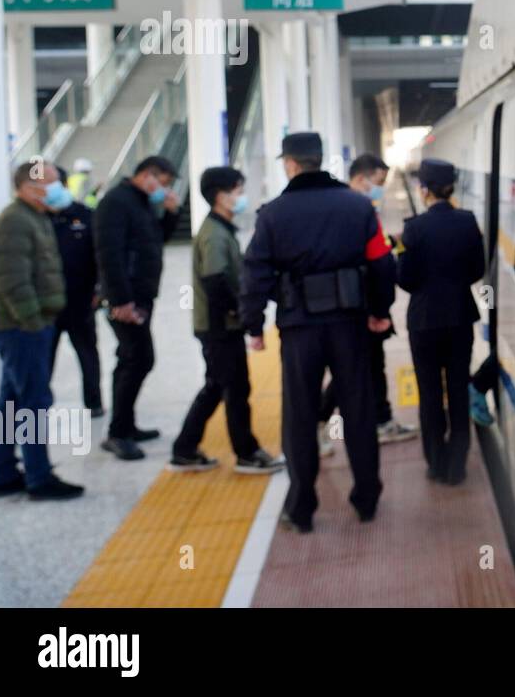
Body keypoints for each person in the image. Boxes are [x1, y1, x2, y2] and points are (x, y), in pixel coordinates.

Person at [241, 133, 395, 533]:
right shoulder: (358, 206)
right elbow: (381, 263)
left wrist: (253, 325)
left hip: (299, 328)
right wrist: (380, 311)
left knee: (300, 416)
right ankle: (366, 500)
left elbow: (255, 273)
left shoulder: (273, 213)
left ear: (291, 164)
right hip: (349, 323)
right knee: (358, 411)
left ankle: (302, 509)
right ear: (319, 159)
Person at [169, 167, 284, 475]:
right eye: (238, 191)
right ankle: (245, 453)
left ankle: (185, 449)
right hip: (219, 327)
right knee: (233, 389)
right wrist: (241, 313)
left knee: (218, 387)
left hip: (218, 325)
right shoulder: (214, 235)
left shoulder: (220, 229)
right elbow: (216, 281)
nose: (241, 197)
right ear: (221, 196)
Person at [0, 162, 84, 500]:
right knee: (34, 402)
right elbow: (11, 278)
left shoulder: (35, 217)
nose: (61, 189)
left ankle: (3, 473)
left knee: (11, 403)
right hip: (21, 328)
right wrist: (31, 321)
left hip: (25, 326)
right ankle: (39, 478)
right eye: (54, 183)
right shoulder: (13, 222)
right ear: (30, 186)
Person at [317, 152, 417, 454]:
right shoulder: (355, 208)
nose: (380, 188)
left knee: (367, 365)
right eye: (378, 181)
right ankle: (327, 421)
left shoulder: (348, 207)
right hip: (361, 303)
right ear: (361, 177)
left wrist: (391, 241)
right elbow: (374, 260)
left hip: (355, 301)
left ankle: (378, 420)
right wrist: (379, 308)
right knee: (359, 366)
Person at [397, 159, 485, 486]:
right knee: (459, 388)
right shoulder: (468, 222)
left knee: (430, 392)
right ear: (450, 189)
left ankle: (435, 463)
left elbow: (405, 280)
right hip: (460, 316)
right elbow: (478, 270)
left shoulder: (413, 228)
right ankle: (457, 466)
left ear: (424, 190)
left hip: (423, 322)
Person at [94, 155, 181, 460]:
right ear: (148, 175)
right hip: (126, 299)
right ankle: (118, 433)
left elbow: (157, 240)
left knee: (130, 359)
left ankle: (126, 426)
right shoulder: (115, 202)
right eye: (163, 183)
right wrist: (119, 301)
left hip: (141, 295)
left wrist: (171, 214)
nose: (164, 190)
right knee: (139, 358)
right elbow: (109, 254)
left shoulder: (140, 201)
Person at [49, 166, 103, 415]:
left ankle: (94, 403)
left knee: (87, 354)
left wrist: (99, 290)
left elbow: (101, 256)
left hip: (81, 302)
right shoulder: (38, 218)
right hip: (47, 307)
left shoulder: (85, 215)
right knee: (43, 359)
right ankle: (37, 405)